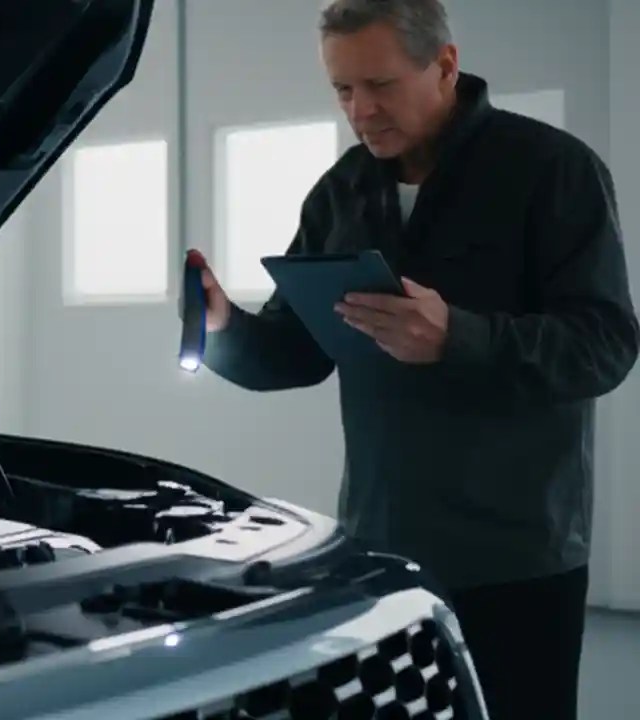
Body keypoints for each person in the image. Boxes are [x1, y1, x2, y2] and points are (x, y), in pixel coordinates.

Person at [186, 1, 638, 718]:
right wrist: (221, 326)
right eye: (342, 89)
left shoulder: (553, 170)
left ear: (446, 66)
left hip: (517, 558)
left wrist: (455, 335)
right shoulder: (341, 190)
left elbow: (605, 345)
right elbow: (295, 353)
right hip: (379, 552)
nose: (360, 110)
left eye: (381, 85)